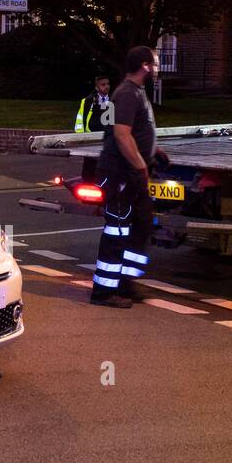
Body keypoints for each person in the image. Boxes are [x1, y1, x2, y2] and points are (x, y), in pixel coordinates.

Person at [89, 46, 168, 308]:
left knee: (143, 225)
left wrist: (153, 150)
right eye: (154, 64)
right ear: (145, 65)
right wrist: (140, 166)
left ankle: (126, 283)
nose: (156, 68)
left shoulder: (135, 92)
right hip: (120, 175)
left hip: (130, 174)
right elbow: (122, 135)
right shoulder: (125, 94)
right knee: (117, 231)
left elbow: (133, 130)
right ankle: (104, 291)